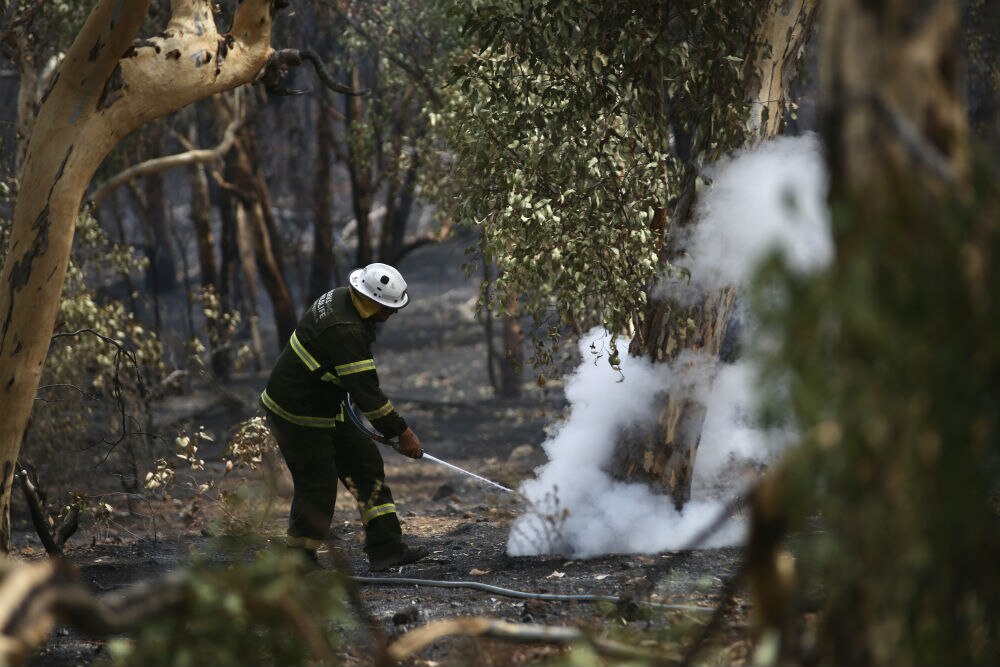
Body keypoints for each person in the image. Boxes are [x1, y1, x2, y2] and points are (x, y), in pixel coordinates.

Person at [260, 262, 429, 571]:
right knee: (318, 484)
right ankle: (298, 563)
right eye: (389, 308)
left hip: (327, 404)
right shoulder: (346, 330)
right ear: (373, 301)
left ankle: (387, 549)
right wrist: (402, 432)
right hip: (297, 410)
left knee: (365, 464)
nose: (392, 313)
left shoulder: (344, 297)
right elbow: (369, 397)